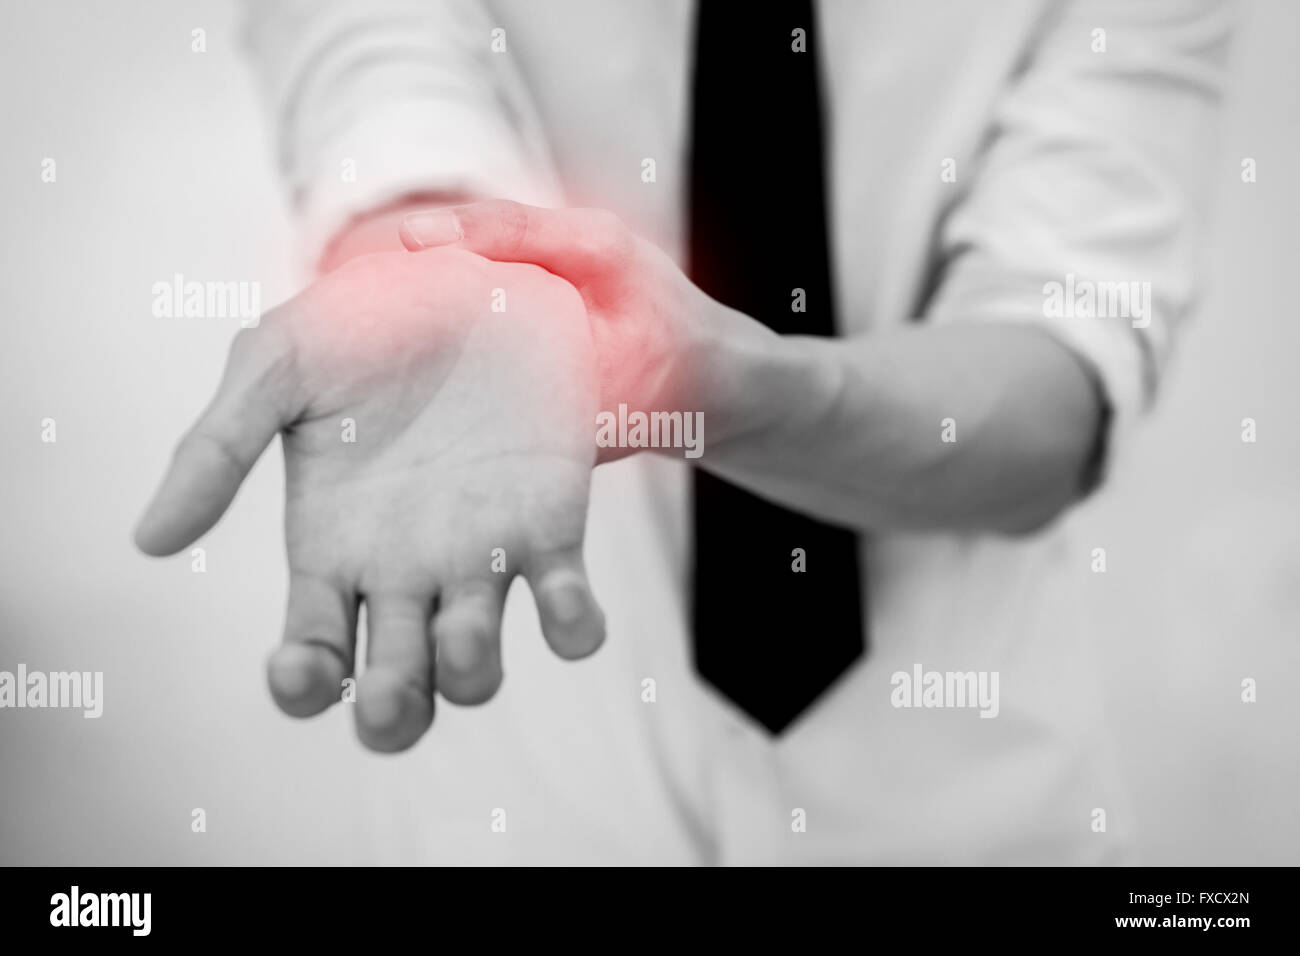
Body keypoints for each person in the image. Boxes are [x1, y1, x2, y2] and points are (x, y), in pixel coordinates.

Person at [136, 0, 1231, 864]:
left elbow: (1051, 380)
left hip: (969, 801)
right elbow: (379, 74)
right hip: (539, 785)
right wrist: (441, 279)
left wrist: (727, 387)